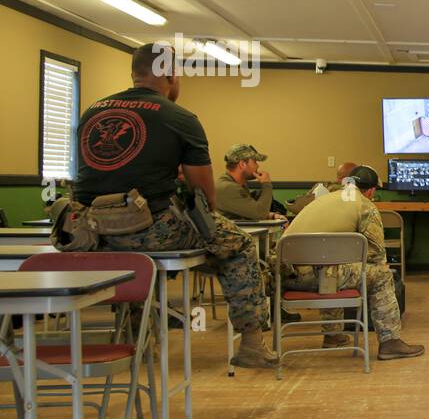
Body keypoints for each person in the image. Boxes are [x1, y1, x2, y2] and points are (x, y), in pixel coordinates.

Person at [68, 43, 276, 368]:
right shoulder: (179, 117)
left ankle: (140, 343)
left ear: (133, 73)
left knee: (137, 263)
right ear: (171, 75)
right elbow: (204, 197)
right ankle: (251, 344)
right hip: (150, 228)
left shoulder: (91, 111)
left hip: (89, 234)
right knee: (240, 246)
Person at [278, 164, 424, 360]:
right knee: (381, 275)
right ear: (371, 190)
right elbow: (376, 255)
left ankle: (333, 335)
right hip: (316, 276)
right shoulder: (365, 206)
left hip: (284, 276)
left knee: (329, 268)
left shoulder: (323, 199)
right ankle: (391, 342)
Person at [215, 144, 284, 221]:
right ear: (242, 164)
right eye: (254, 162)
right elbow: (260, 214)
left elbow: (249, 212)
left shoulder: (237, 184)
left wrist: (272, 215)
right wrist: (266, 184)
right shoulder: (228, 188)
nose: (257, 166)